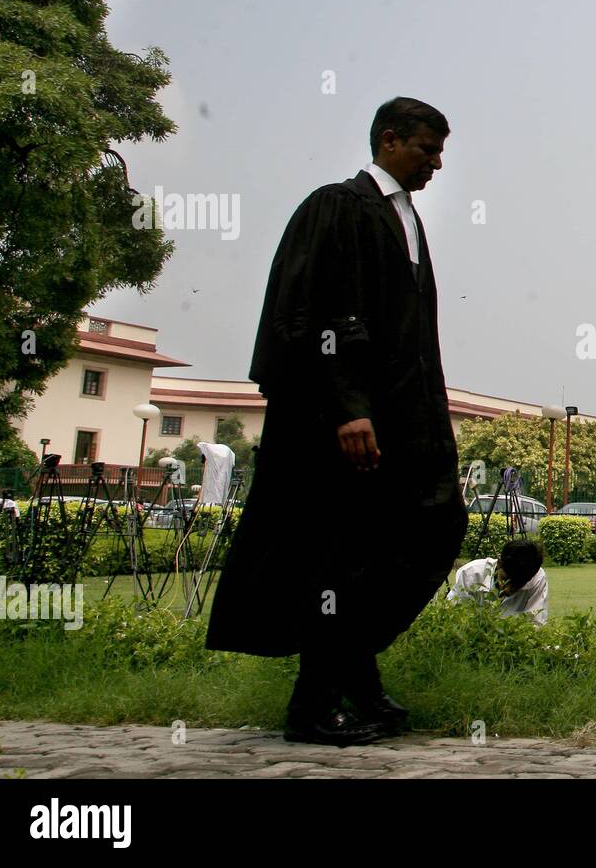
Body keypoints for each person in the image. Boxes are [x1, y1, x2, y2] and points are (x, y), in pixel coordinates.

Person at [206, 97, 467, 746]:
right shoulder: (340, 208)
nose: (437, 163)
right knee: (338, 560)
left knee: (430, 527)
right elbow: (327, 314)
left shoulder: (403, 220)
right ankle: (318, 703)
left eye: (440, 151)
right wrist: (350, 409)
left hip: (400, 425)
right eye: (426, 148)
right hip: (342, 429)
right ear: (388, 140)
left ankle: (354, 675)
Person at [447, 539, 549, 624]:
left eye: (518, 584)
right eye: (505, 579)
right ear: (499, 563)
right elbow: (453, 614)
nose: (508, 589)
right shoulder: (472, 573)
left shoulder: (538, 578)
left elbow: (536, 622)